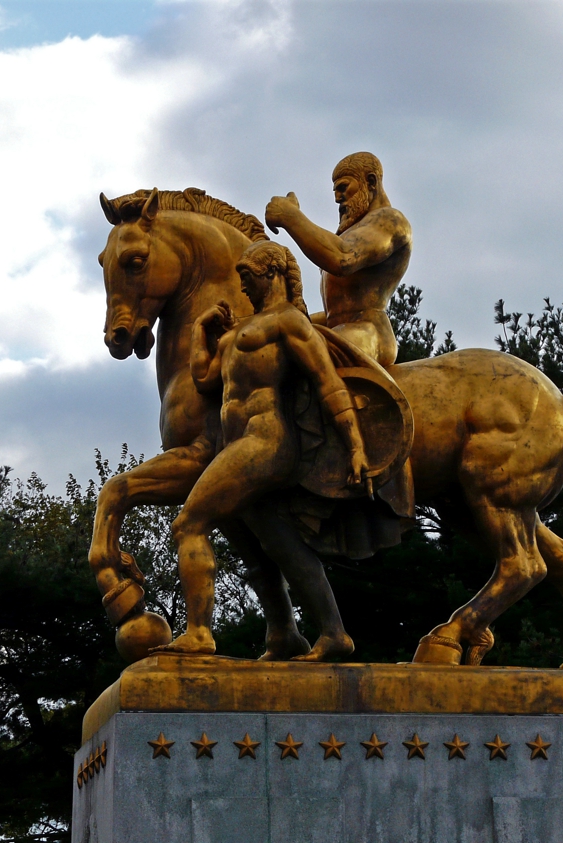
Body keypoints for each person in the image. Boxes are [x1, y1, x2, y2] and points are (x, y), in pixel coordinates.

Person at [160, 241, 370, 660]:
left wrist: (356, 445)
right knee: (282, 547)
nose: (243, 287)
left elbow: (328, 382)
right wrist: (202, 328)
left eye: (248, 277)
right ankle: (331, 633)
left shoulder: (289, 322)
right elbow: (203, 379)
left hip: (267, 441)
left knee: (189, 523)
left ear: (272, 272)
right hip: (239, 446)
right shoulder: (238, 331)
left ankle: (199, 633)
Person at [265, 151, 411, 368]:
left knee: (297, 358)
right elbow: (334, 314)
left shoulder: (390, 220)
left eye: (343, 188)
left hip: (369, 333)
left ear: (371, 182)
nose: (337, 198)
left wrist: (290, 217)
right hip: (340, 330)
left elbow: (343, 258)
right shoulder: (352, 231)